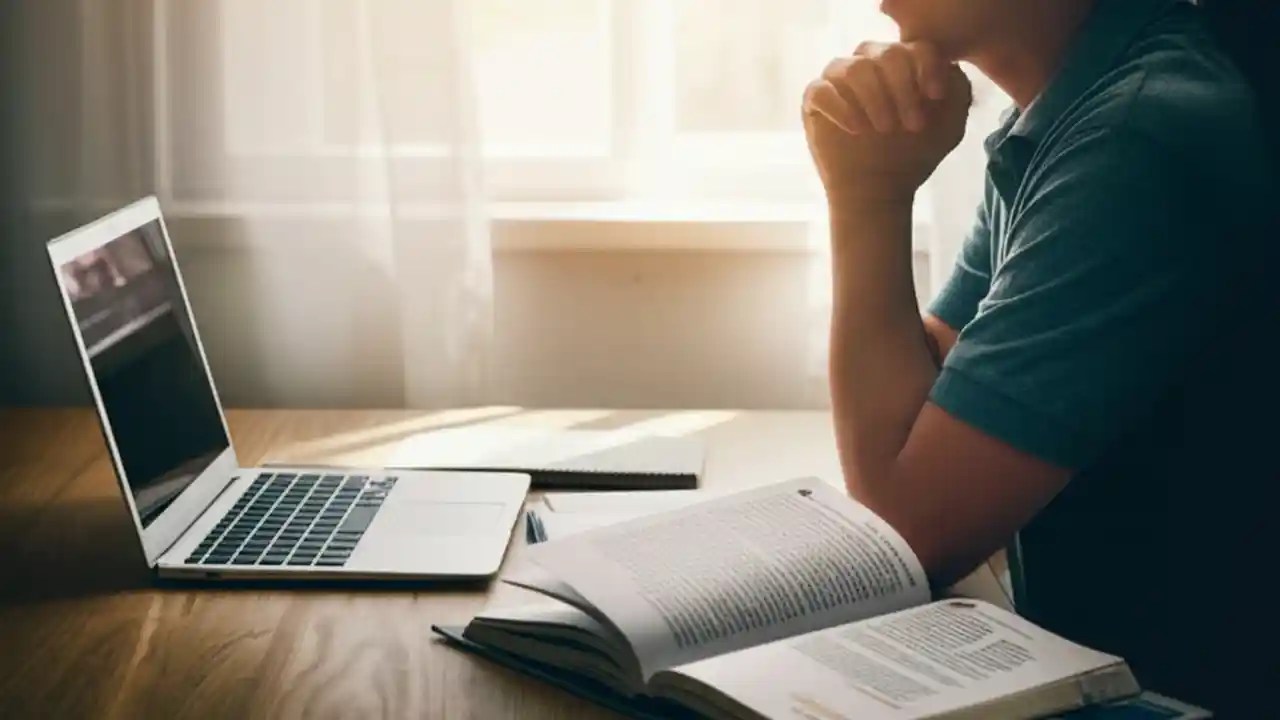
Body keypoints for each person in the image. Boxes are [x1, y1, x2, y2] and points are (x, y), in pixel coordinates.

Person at [801, 0, 1277, 712]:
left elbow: (908, 530)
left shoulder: (1137, 136)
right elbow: (929, 403)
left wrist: (866, 193)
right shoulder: (1079, 108)